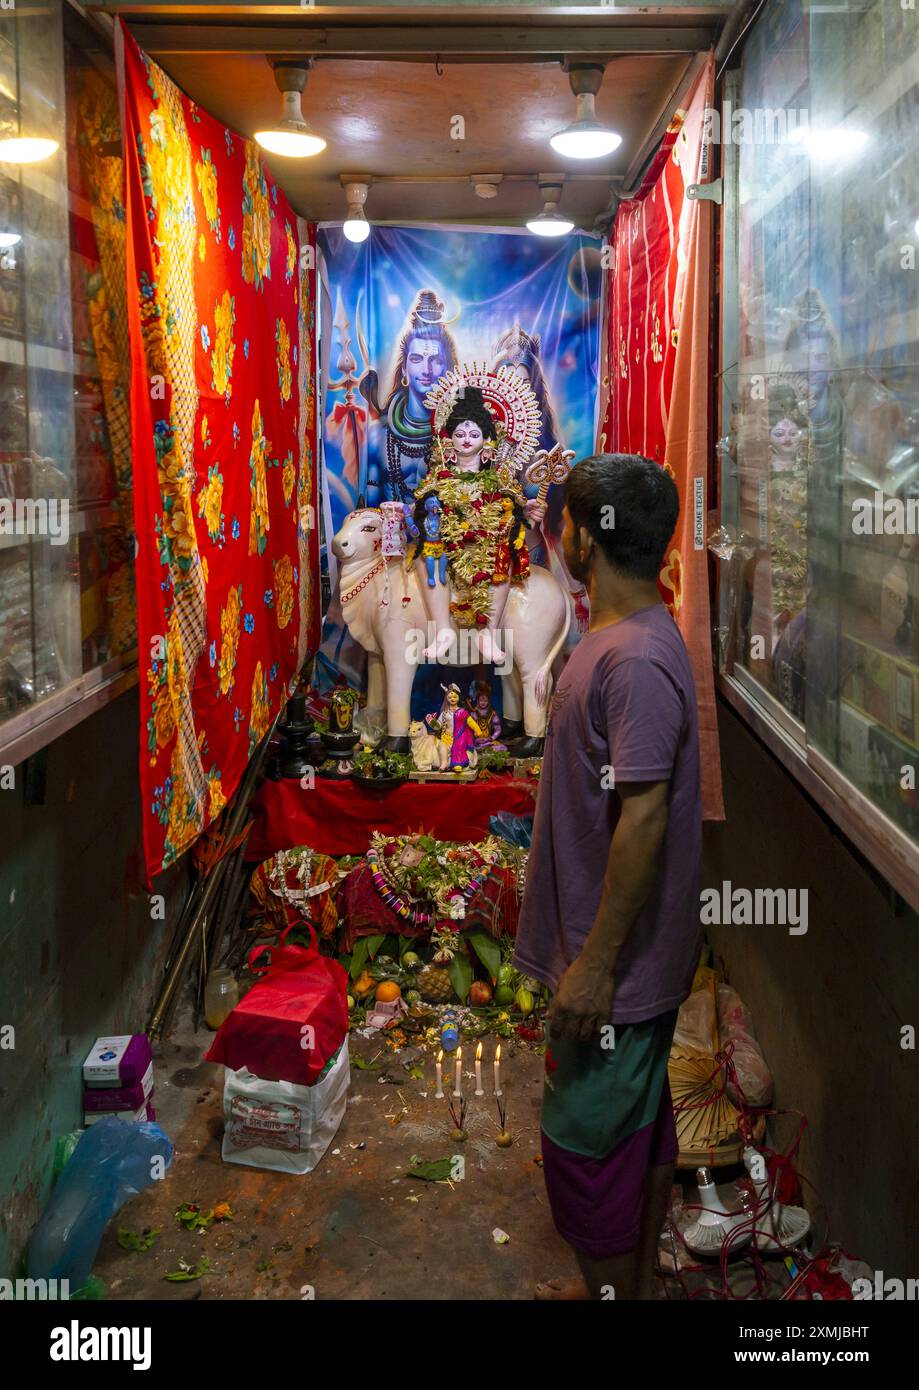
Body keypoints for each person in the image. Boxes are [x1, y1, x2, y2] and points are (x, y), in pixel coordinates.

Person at [513, 453, 703, 1301]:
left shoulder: (630, 660)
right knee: (637, 1129)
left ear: (584, 538)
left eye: (563, 522)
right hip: (622, 967)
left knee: (585, 1151)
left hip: (615, 976)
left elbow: (646, 818)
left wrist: (591, 964)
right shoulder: (622, 640)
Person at [362, 290, 459, 504]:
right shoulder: (379, 434)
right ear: (404, 370)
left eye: (435, 360)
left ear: (448, 369)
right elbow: (371, 512)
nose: (427, 370)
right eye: (416, 359)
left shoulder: (461, 435)